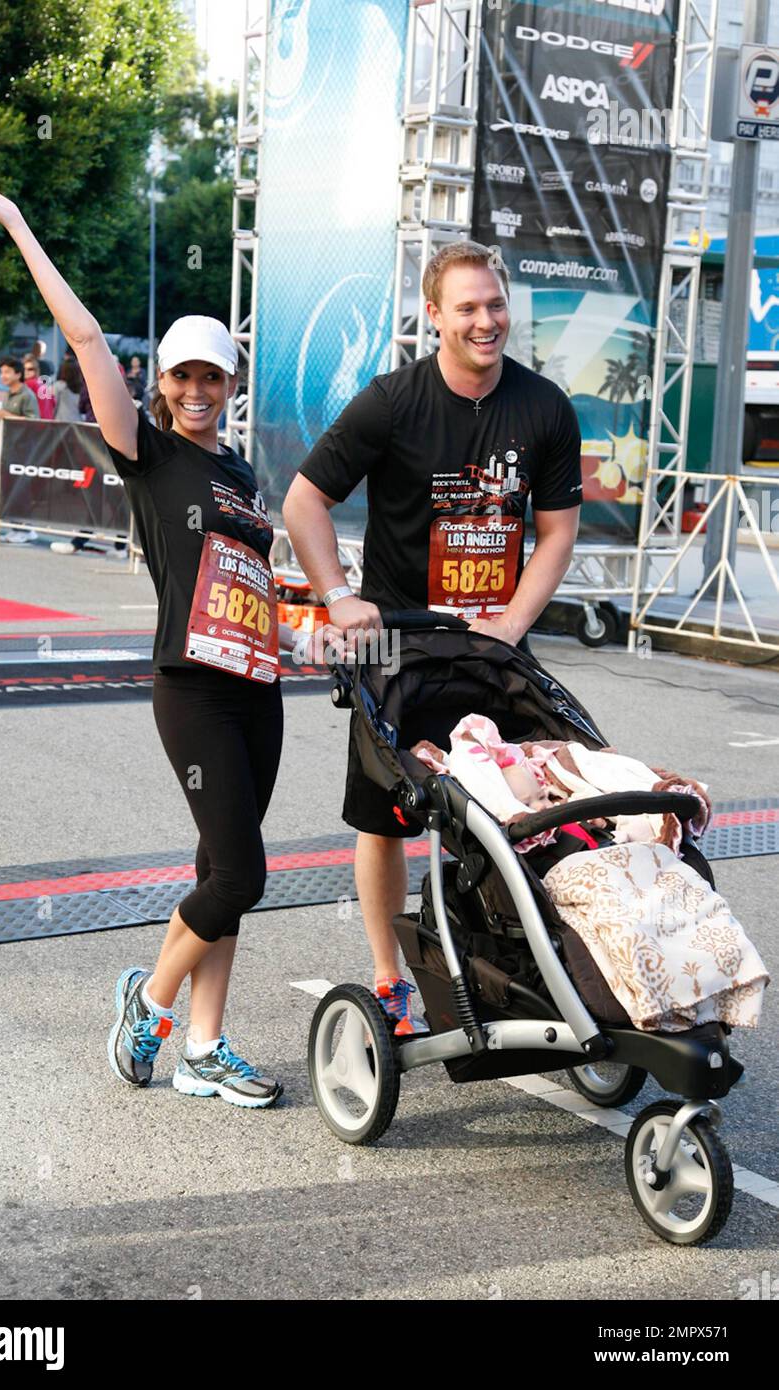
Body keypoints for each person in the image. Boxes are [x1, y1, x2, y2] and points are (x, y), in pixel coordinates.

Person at [0, 174, 306, 1106]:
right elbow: (88, 338)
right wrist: (17, 220)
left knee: (220, 872)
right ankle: (150, 1001)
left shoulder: (238, 470)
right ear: (163, 385)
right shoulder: (148, 452)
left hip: (256, 689)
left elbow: (252, 578)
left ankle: (206, 1050)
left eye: (209, 376)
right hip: (190, 688)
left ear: (229, 385)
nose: (193, 390)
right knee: (246, 878)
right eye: (180, 375)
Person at [283, 240, 583, 1036]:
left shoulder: (544, 407)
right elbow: (303, 502)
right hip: (398, 650)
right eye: (468, 308)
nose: (487, 321)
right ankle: (389, 978)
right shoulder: (392, 401)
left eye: (495, 304)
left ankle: (508, 961)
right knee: (386, 819)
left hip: (494, 645)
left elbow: (556, 531)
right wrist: (339, 596)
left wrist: (514, 621)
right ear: (435, 316)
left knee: (519, 807)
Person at [23, 354, 56, 420]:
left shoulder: (29, 384)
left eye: (30, 369)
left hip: (38, 423)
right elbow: (53, 403)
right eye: (24, 369)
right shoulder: (44, 385)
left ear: (36, 370)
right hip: (49, 423)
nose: (26, 371)